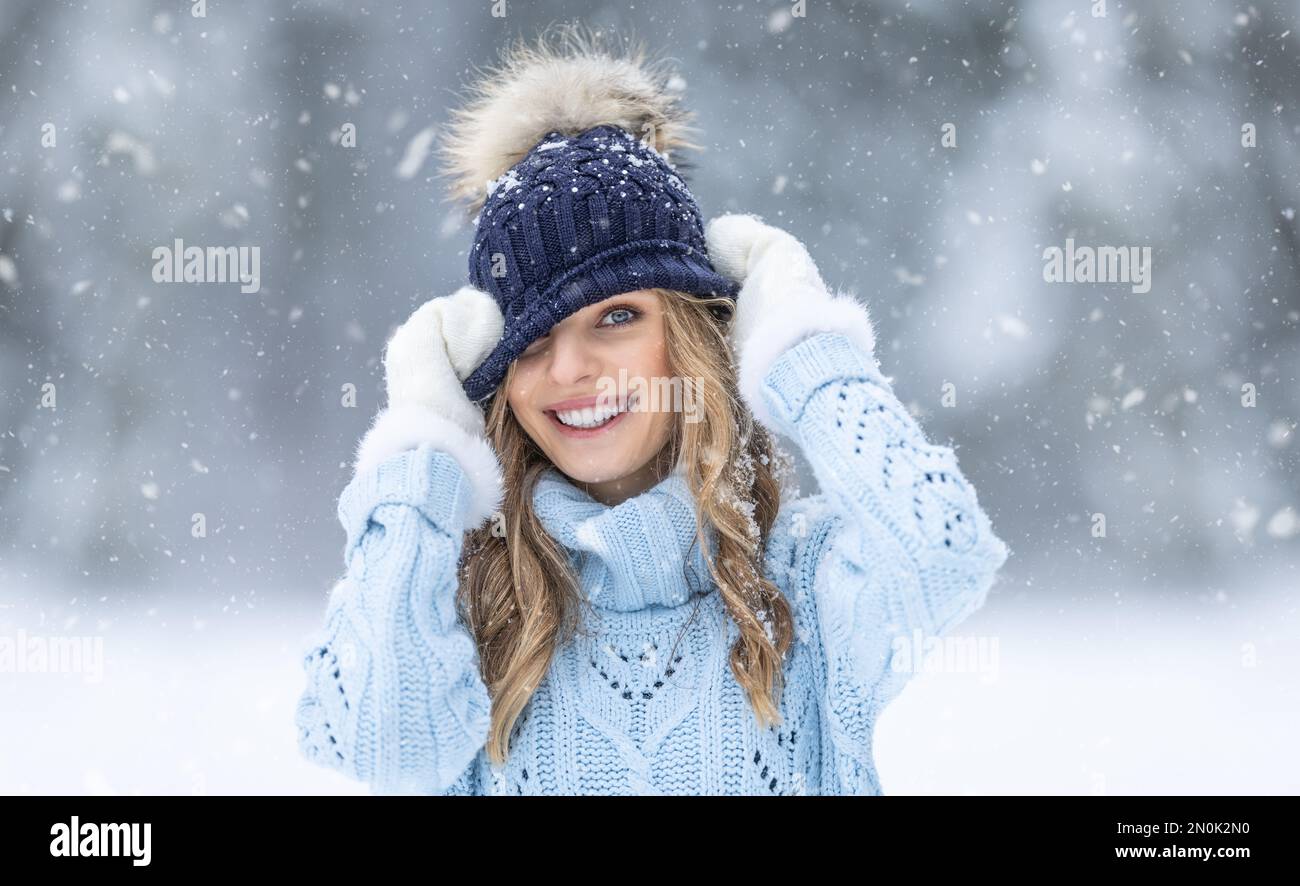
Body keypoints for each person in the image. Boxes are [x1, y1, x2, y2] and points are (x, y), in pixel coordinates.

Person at [294, 25, 1010, 795]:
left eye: (617, 317)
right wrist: (423, 456)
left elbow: (942, 547)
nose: (569, 370)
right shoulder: (464, 610)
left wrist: (799, 343)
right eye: (532, 339)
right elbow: (375, 745)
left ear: (698, 337)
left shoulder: (805, 586)